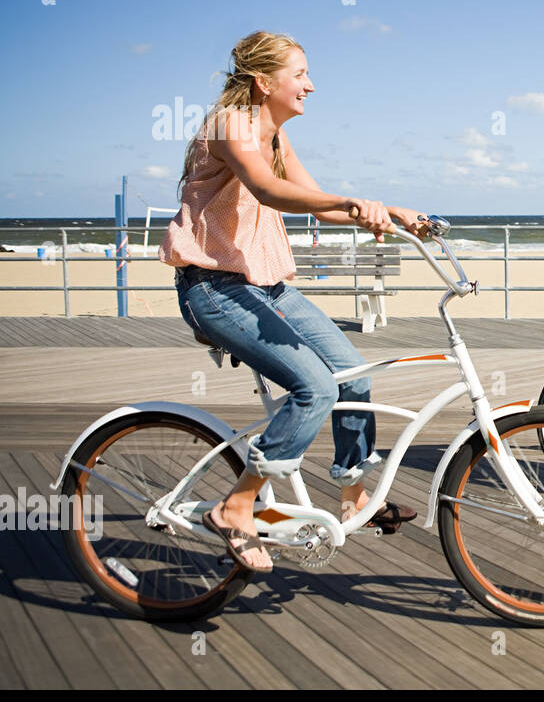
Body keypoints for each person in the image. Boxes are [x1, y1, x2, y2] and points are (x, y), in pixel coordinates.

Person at [158, 31, 429, 573]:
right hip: (216, 287)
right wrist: (351, 200)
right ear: (264, 81)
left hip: (268, 285)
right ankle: (238, 506)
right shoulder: (232, 125)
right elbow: (268, 191)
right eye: (300, 74)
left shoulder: (275, 135)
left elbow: (316, 205)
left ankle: (352, 495)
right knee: (316, 386)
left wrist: (390, 211)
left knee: (354, 374)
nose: (311, 84)